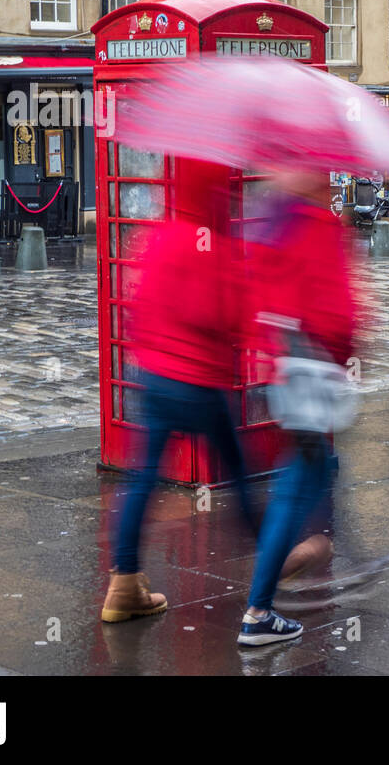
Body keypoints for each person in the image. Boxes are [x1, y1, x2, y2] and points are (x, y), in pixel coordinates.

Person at [100, 187, 260, 625]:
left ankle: (124, 583)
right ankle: (272, 567)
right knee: (241, 473)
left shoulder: (161, 236)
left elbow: (137, 306)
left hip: (154, 376)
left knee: (143, 478)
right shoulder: (217, 247)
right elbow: (230, 318)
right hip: (201, 381)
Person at [239, 168, 359, 647]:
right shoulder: (320, 226)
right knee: (298, 483)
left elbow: (256, 298)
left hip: (283, 369)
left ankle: (311, 548)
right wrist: (349, 351)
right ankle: (260, 607)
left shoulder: (271, 221)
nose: (329, 184)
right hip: (315, 371)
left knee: (313, 467)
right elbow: (342, 310)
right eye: (323, 177)